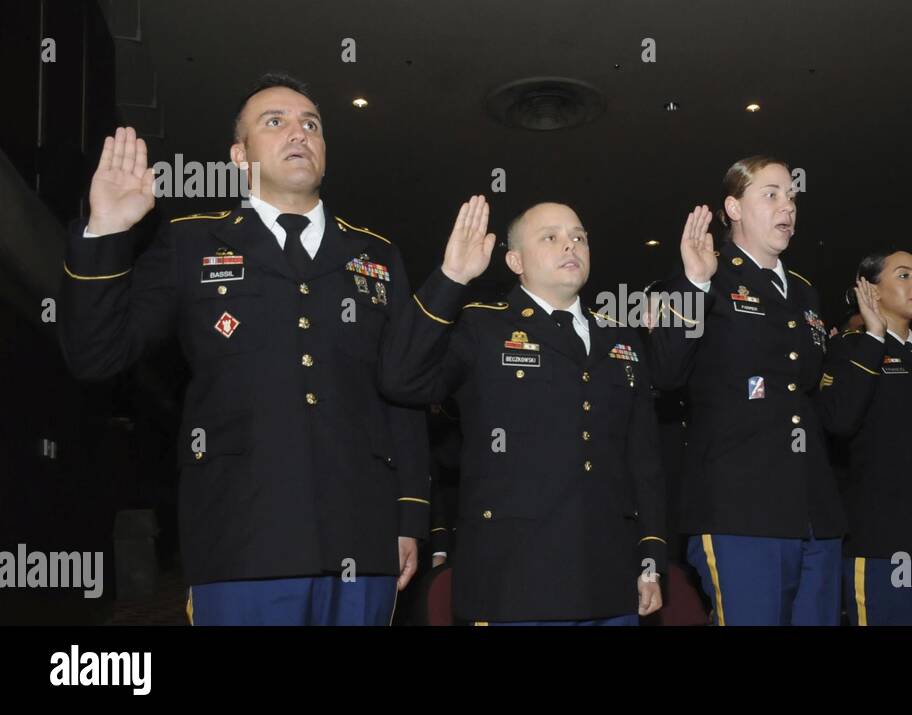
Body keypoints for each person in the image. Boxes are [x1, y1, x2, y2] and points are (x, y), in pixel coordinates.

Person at [59, 74, 429, 625]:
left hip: (363, 533)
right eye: (274, 122)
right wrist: (106, 232)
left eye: (312, 124)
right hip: (241, 536)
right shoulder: (191, 242)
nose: (298, 133)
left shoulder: (376, 255)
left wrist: (412, 517)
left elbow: (402, 391)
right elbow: (95, 355)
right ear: (239, 155)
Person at [380, 197, 665, 625]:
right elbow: (401, 379)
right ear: (515, 260)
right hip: (514, 581)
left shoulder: (620, 338)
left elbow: (643, 459)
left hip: (609, 580)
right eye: (550, 238)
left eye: (578, 237)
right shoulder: (481, 325)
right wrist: (451, 277)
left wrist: (651, 556)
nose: (570, 246)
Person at [647, 156, 844, 626]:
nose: (787, 208)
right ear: (733, 208)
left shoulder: (804, 291)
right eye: (771, 194)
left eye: (792, 197)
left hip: (815, 511)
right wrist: (693, 282)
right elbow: (666, 371)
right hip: (741, 508)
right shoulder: (704, 276)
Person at [818, 250, 912, 625]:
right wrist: (872, 336)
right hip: (884, 536)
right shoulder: (849, 349)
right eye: (903, 275)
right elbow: (839, 419)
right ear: (871, 290)